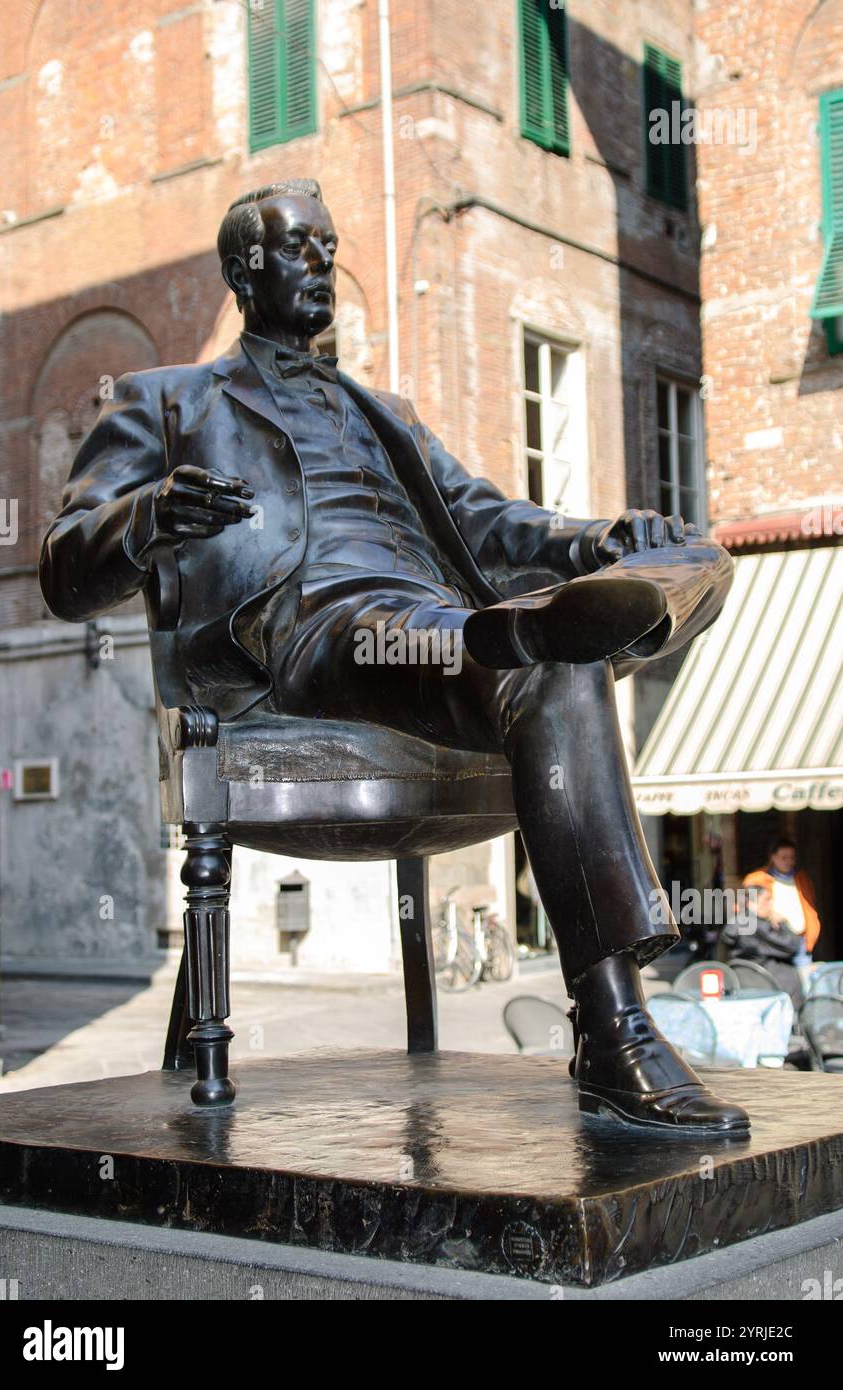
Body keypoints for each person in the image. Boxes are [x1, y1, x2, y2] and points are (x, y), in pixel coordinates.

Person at [39, 179, 748, 1136]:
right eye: (301, 248)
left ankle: (599, 611)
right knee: (525, 651)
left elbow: (488, 520)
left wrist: (601, 541)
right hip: (306, 625)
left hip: (430, 618)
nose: (325, 263)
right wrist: (149, 513)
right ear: (245, 270)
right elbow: (62, 568)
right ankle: (619, 1031)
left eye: (331, 246)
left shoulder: (390, 414)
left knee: (548, 653)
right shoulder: (166, 401)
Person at [742, 837, 820, 969]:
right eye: (784, 857)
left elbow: (809, 905)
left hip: (800, 939)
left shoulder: (802, 879)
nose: (789, 861)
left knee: (805, 982)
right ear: (773, 857)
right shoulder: (758, 879)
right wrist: (769, 915)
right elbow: (747, 906)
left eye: (792, 857)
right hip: (774, 940)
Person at [722, 884, 804, 1008]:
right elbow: (792, 946)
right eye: (766, 900)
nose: (771, 904)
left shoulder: (737, 922)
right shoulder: (757, 925)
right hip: (771, 981)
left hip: (747, 982)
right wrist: (783, 923)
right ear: (750, 903)